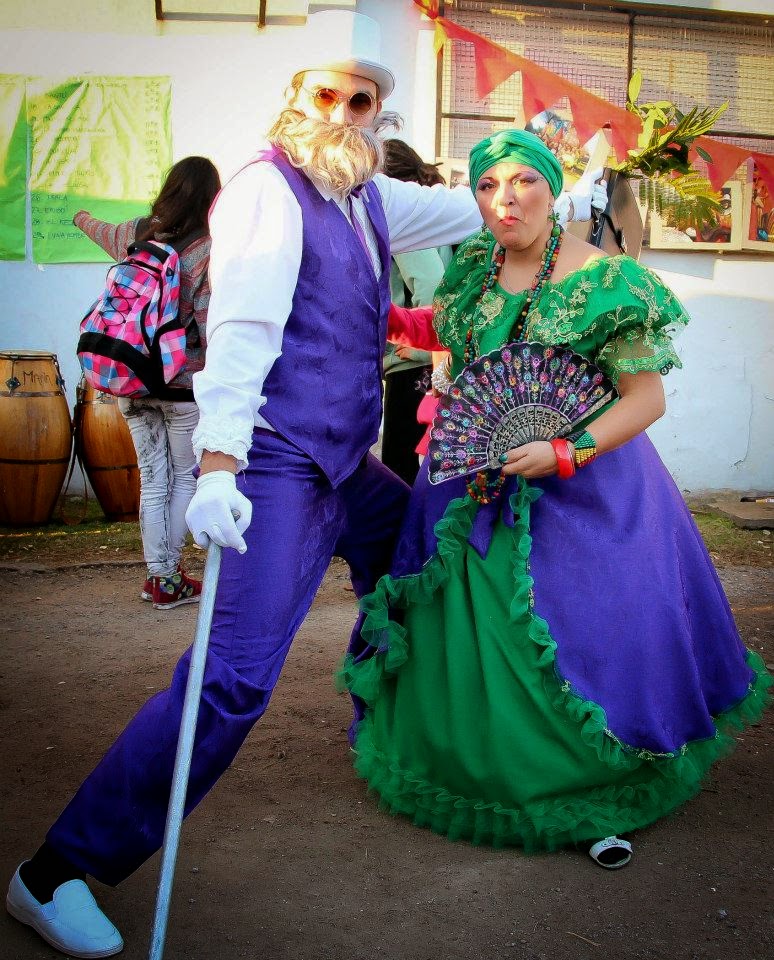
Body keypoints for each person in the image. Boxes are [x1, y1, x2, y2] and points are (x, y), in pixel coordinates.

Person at [6, 14, 608, 956]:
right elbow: (241, 333)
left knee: (416, 554)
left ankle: (398, 735)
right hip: (277, 463)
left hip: (342, 464)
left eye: (360, 98)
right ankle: (54, 873)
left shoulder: (367, 195)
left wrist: (546, 184)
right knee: (231, 682)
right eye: (323, 93)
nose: (340, 110)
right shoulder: (263, 192)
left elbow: (476, 211)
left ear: (379, 113)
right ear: (294, 100)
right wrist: (217, 466)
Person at [340, 129, 772, 871]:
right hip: (472, 490)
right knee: (473, 644)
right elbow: (449, 337)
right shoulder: (475, 268)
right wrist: (366, 312)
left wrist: (566, 449)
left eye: (522, 182)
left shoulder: (605, 283)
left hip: (588, 494)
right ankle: (482, 770)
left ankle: (590, 790)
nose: (505, 201)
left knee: (584, 641)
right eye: (487, 186)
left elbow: (645, 398)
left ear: (553, 187)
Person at [72, 156, 221, 610]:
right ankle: (169, 578)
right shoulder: (206, 250)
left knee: (153, 481)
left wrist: (81, 217)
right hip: (180, 387)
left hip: (130, 380)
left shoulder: (137, 234)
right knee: (183, 481)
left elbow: (96, 229)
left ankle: (158, 576)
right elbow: (207, 319)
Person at [381, 138, 452, 484]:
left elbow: (433, 285)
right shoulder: (429, 214)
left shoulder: (403, 220)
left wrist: (423, 345)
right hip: (426, 364)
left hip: (414, 366)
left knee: (400, 473)